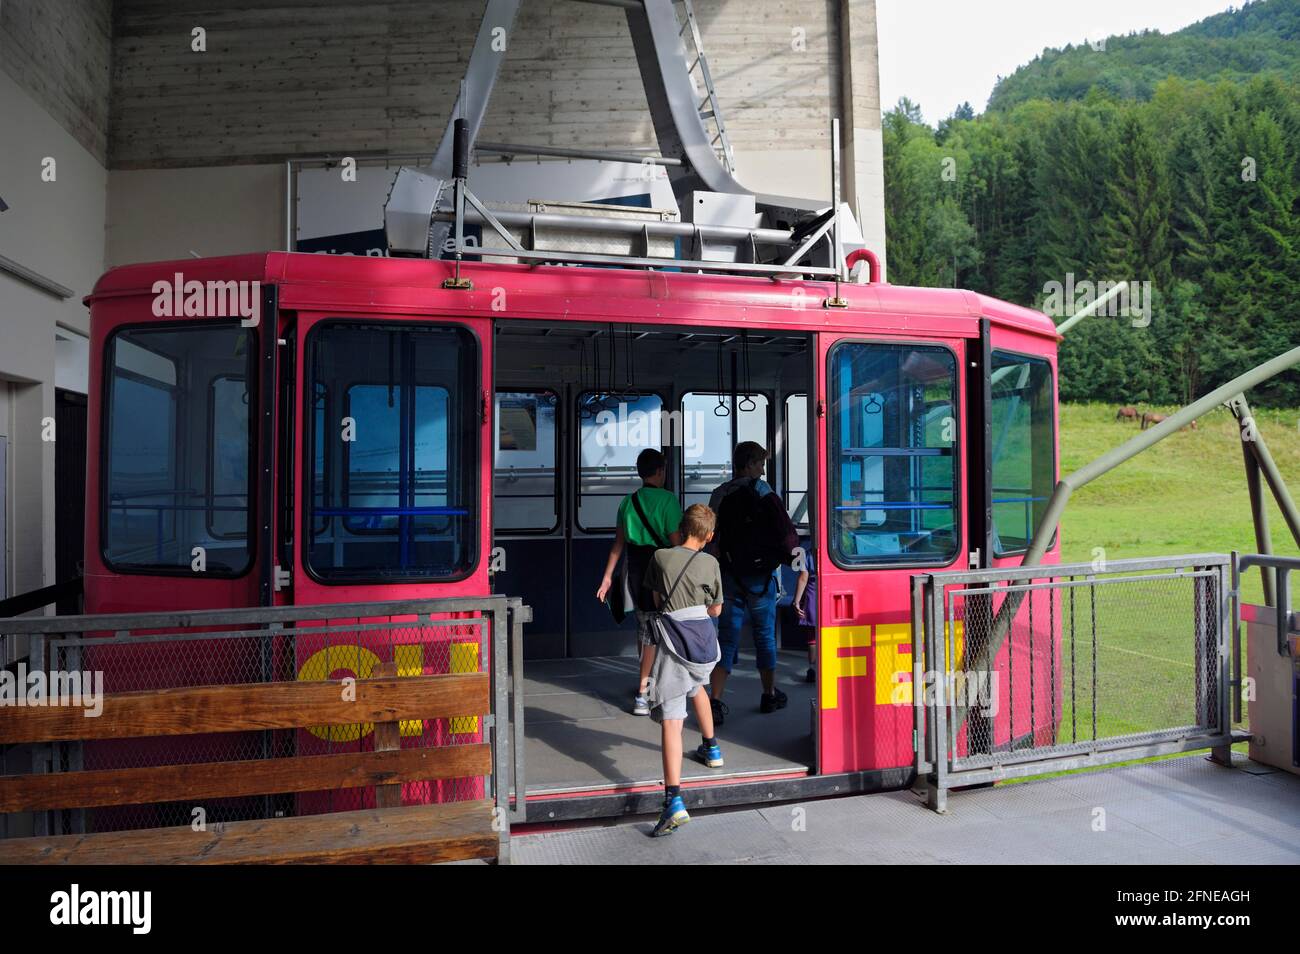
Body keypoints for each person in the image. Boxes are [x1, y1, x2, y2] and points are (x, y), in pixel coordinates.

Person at [642, 504, 725, 837]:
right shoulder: (712, 562)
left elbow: (655, 597)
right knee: (698, 688)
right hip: (704, 645)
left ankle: (673, 800)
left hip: (676, 645)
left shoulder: (661, 557)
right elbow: (716, 610)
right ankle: (713, 748)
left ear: (681, 527)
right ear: (709, 536)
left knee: (672, 720)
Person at [708, 441, 799, 721]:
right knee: (764, 637)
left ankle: (716, 700)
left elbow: (711, 540)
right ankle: (769, 694)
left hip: (730, 576)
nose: (762, 469)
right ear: (748, 464)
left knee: (726, 638)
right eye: (759, 463)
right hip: (761, 579)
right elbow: (786, 534)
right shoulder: (764, 492)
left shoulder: (720, 494)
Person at [595, 447, 682, 715]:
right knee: (659, 632)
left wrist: (607, 577)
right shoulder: (669, 501)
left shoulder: (627, 502)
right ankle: (644, 692)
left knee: (644, 629)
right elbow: (677, 543)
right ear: (660, 472)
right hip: (661, 571)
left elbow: (617, 544)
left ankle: (646, 681)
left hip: (633, 571)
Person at [792, 547, 817, 683]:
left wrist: (796, 601)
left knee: (812, 637)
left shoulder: (806, 554)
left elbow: (803, 578)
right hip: (829, 596)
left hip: (812, 599)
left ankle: (812, 668)